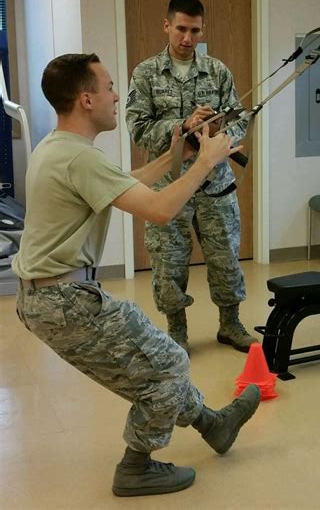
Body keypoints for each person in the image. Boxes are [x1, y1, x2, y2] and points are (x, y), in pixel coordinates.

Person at [12, 53, 260, 497]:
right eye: (109, 88)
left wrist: (175, 155)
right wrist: (206, 160)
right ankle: (136, 467)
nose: (115, 97)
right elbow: (161, 210)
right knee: (168, 364)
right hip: (64, 301)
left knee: (154, 362)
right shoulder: (77, 158)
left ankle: (214, 426)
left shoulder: (61, 149)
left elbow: (125, 182)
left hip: (50, 298)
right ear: (86, 99)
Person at [126, 0, 258, 354]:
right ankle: (177, 332)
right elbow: (138, 129)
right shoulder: (147, 73)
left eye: (195, 30)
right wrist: (182, 125)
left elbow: (241, 118)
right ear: (166, 26)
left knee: (225, 256)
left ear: (203, 30)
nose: (187, 37)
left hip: (215, 184)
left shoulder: (217, 71)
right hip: (168, 188)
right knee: (168, 261)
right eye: (181, 29)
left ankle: (230, 325)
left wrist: (219, 132)